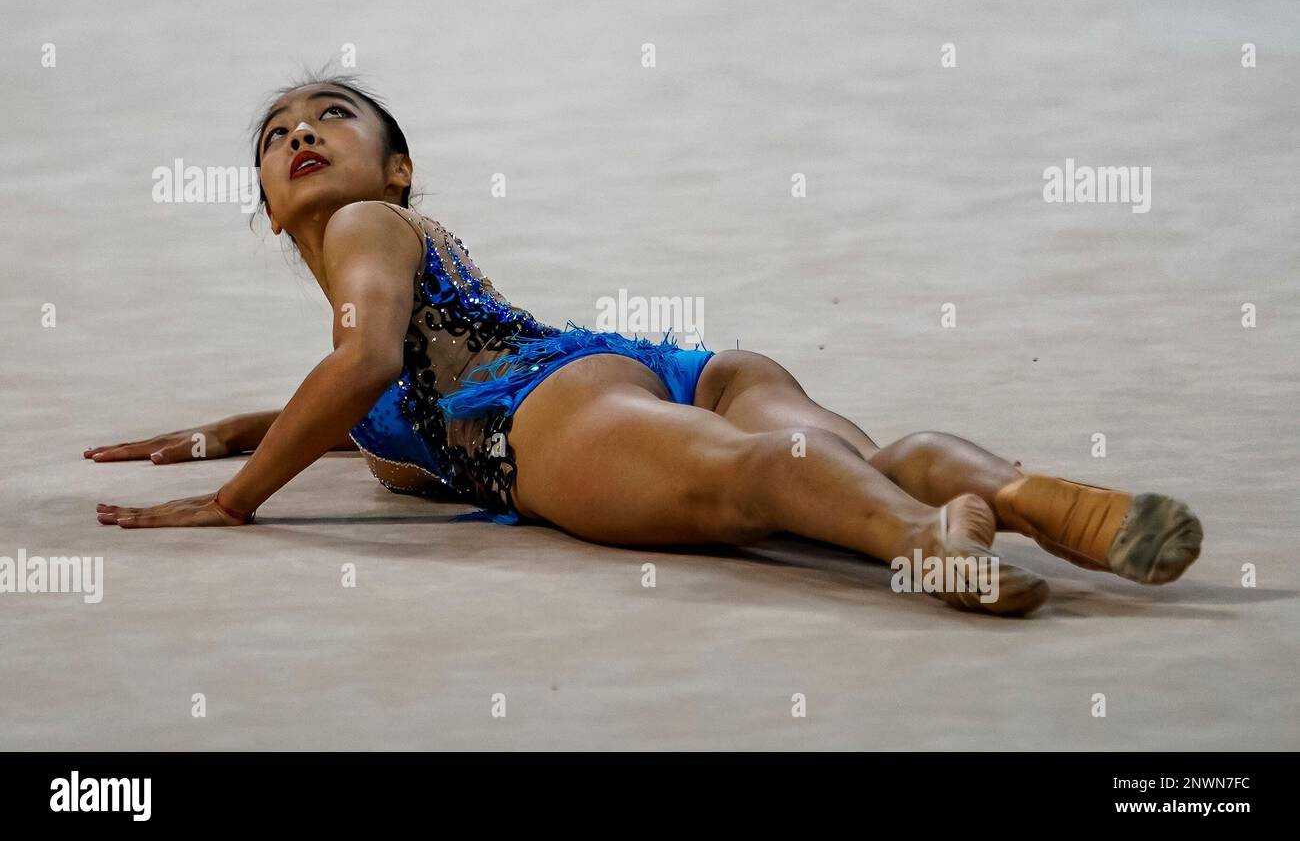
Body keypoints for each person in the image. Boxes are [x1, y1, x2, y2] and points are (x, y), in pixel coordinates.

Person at [86, 75, 1203, 617]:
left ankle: (926, 541)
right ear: (265, 210)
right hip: (659, 367)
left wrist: (233, 499)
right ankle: (1018, 494)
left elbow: (368, 368)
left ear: (397, 171)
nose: (299, 132)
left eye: (331, 115)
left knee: (751, 482)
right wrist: (241, 426)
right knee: (852, 458)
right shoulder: (379, 284)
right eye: (276, 134)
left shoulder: (362, 231)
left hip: (544, 409)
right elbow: (372, 394)